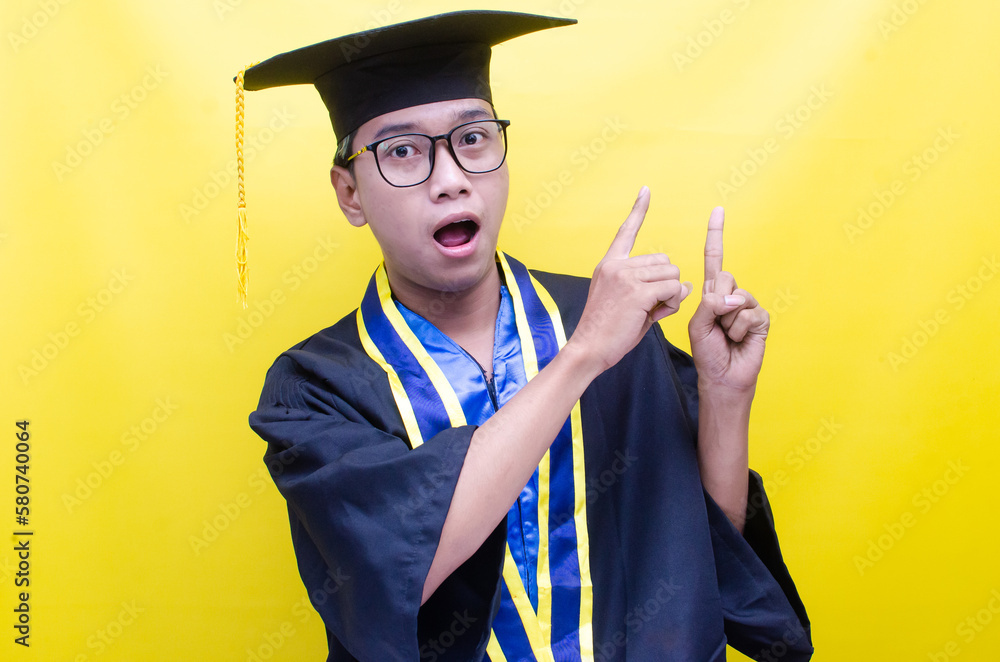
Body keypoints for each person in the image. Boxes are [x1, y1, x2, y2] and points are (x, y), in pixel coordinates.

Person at [244, 10, 812, 661]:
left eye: (475, 138)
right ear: (350, 193)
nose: (451, 177)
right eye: (403, 151)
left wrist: (725, 395)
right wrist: (581, 358)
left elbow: (710, 551)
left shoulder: (611, 325)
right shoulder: (315, 388)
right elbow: (403, 570)